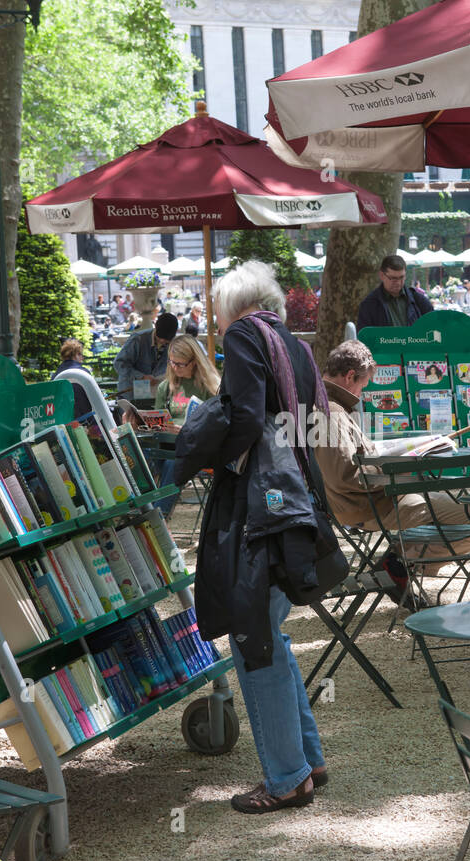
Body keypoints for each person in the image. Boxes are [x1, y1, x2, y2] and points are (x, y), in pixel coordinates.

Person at [172, 260, 327, 814]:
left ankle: (288, 778)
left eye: (215, 312)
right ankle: (307, 759)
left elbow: (241, 417)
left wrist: (196, 445)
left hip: (260, 512)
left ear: (232, 306)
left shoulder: (243, 334)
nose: (214, 324)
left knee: (253, 637)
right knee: (270, 632)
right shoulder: (297, 345)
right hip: (297, 505)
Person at [312, 340, 470, 609]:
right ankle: (399, 564)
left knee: (461, 510)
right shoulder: (331, 413)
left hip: (373, 500)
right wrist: (397, 464)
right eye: (363, 384)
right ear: (349, 376)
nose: (363, 392)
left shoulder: (326, 405)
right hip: (371, 506)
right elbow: (346, 476)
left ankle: (397, 562)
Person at [152, 335, 220, 516]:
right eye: (172, 363)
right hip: (167, 444)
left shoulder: (210, 387)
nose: (175, 368)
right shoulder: (166, 387)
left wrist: (189, 430)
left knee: (171, 462)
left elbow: (217, 427)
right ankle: (142, 510)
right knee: (141, 457)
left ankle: (159, 516)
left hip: (197, 449)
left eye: (180, 364)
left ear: (195, 362)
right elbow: (157, 419)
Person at [357, 254, 433, 328]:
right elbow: (364, 336)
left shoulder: (419, 300)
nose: (398, 282)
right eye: (393, 278)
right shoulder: (369, 304)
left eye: (401, 277)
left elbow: (434, 326)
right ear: (382, 275)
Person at [113, 312, 177, 399]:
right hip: (130, 393)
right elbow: (119, 364)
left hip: (154, 394)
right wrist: (141, 376)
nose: (162, 341)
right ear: (156, 328)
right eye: (159, 337)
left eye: (166, 340)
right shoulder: (138, 339)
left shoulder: (174, 344)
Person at [53, 338, 94, 418]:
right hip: (85, 419)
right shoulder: (83, 373)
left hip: (64, 421)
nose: (82, 358)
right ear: (76, 354)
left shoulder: (56, 375)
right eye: (81, 355)